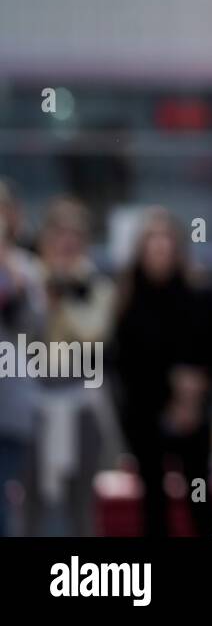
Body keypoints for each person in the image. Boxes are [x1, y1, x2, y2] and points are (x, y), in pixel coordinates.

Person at [110, 207, 212, 537]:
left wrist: (196, 391)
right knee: (154, 501)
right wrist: (167, 394)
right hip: (145, 416)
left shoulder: (200, 294)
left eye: (166, 241)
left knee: (199, 495)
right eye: (152, 241)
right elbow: (122, 364)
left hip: (195, 415)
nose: (160, 249)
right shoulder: (128, 299)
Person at [30, 196, 116, 536]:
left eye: (75, 235)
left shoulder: (97, 287)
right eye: (59, 233)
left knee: (81, 502)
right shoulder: (25, 278)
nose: (67, 243)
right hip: (31, 404)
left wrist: (63, 295)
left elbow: (93, 335)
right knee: (33, 500)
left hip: (81, 404)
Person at [0, 200, 46, 536]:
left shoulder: (26, 270)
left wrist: (16, 283)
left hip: (11, 407)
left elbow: (35, 330)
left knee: (6, 496)